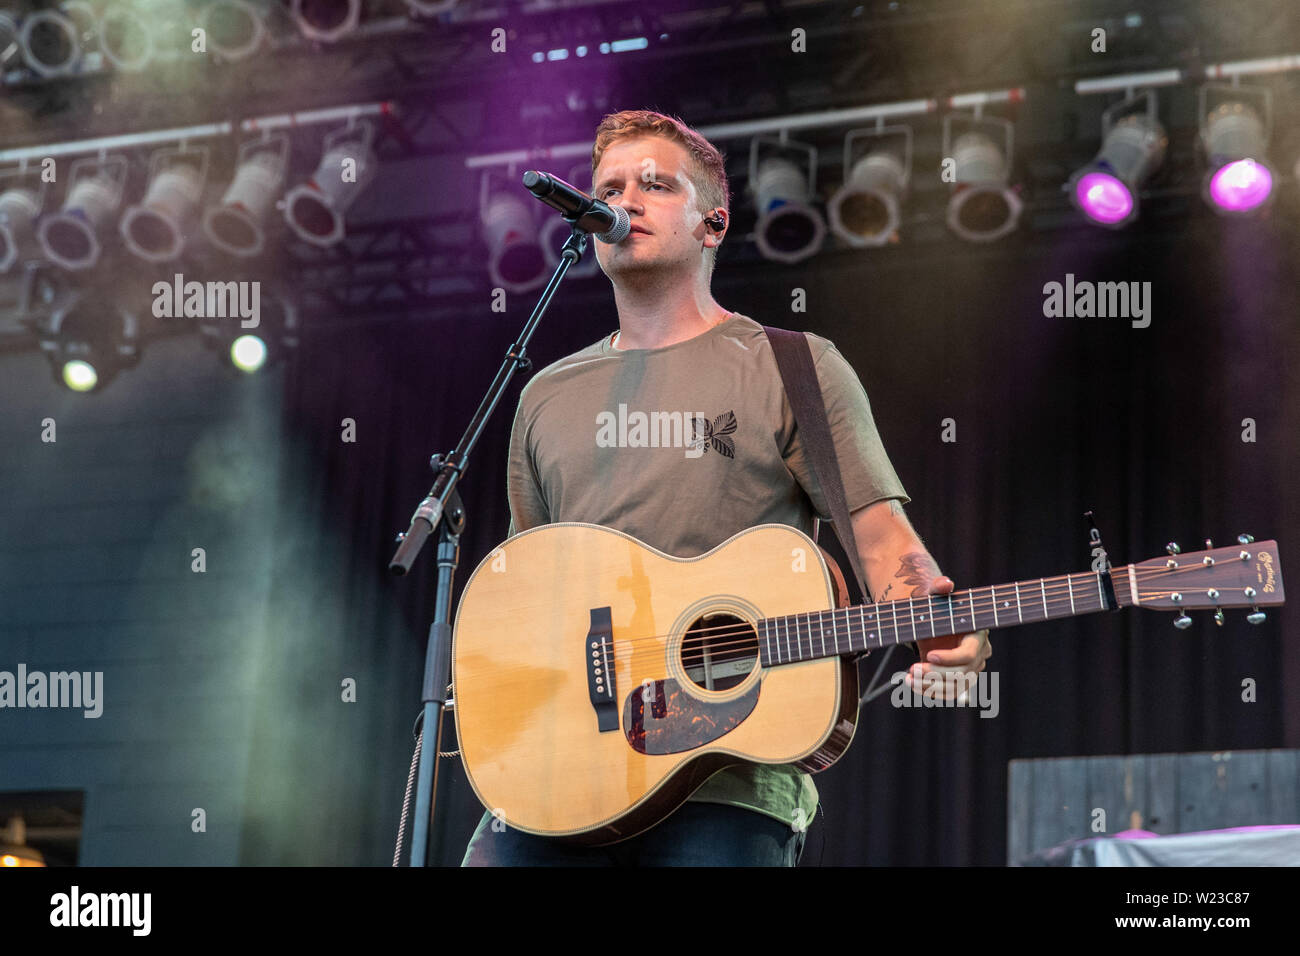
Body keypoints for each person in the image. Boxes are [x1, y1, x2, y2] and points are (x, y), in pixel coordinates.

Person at [461, 109, 991, 866]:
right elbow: (525, 580)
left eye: (654, 184)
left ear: (713, 224)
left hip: (728, 782)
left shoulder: (797, 367)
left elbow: (883, 547)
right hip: (557, 775)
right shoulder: (545, 392)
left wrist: (950, 628)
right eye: (610, 185)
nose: (625, 199)